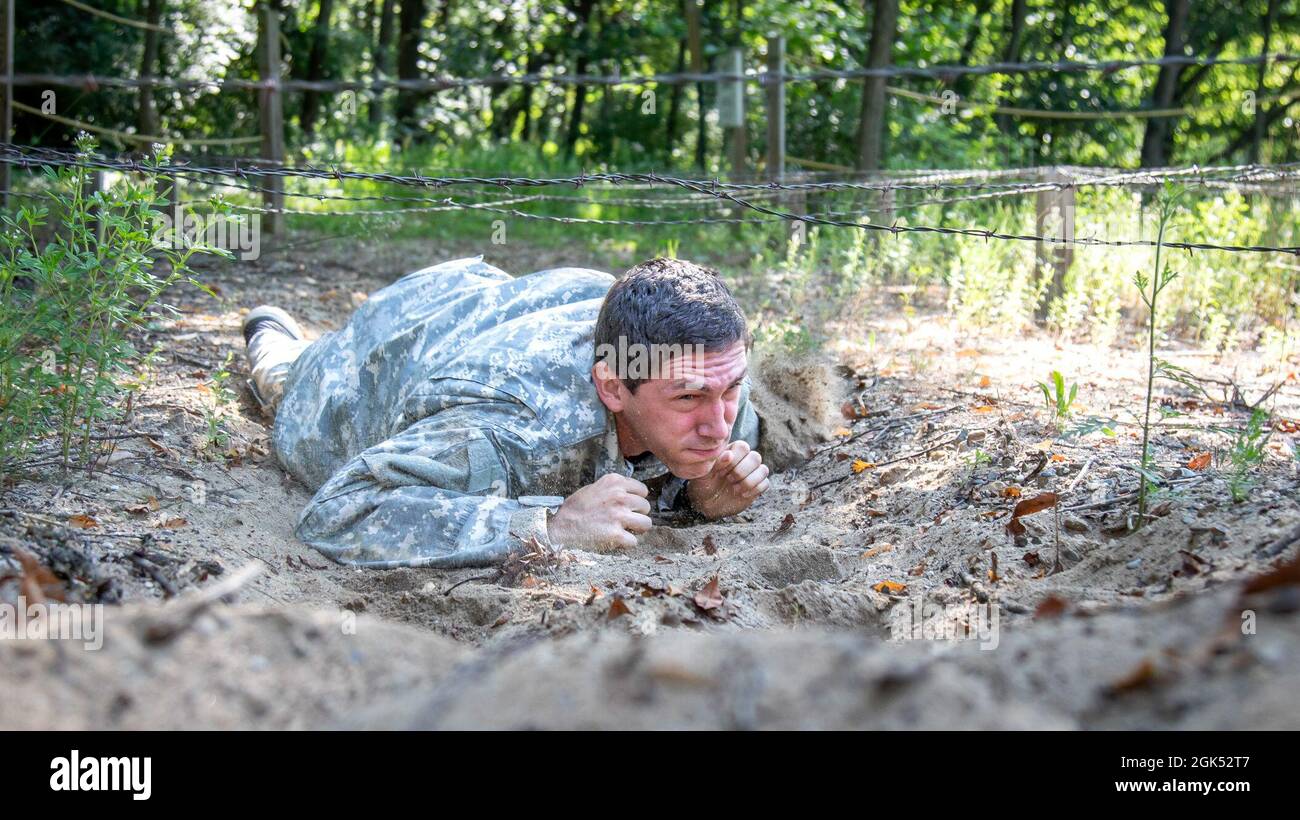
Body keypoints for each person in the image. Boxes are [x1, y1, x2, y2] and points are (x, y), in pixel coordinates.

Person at [242, 255, 770, 568]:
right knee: (291, 383)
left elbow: (707, 405)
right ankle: (276, 344)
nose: (718, 425)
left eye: (729, 392)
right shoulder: (514, 426)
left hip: (497, 304)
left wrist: (697, 494)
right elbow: (340, 511)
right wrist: (546, 526)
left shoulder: (709, 372)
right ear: (612, 389)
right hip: (384, 351)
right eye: (688, 399)